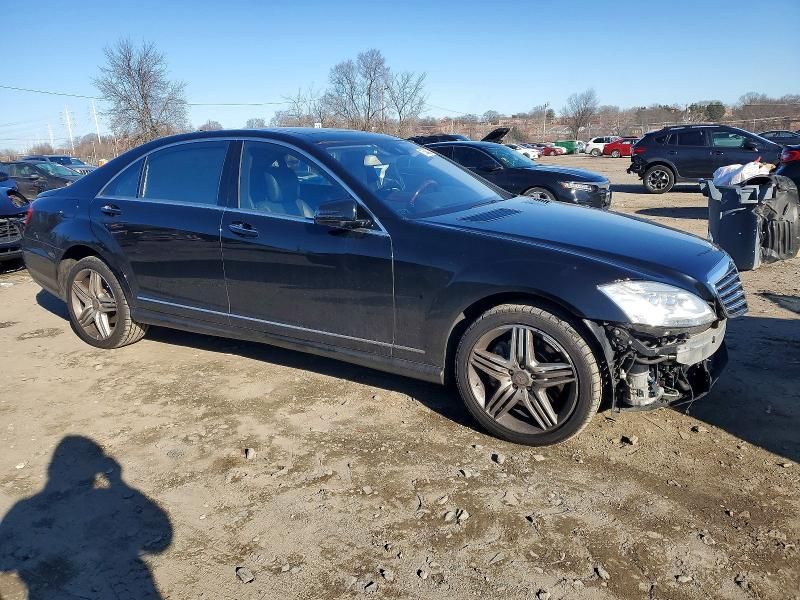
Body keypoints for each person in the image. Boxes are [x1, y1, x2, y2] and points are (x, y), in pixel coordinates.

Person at [0, 435, 172, 599]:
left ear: (52, 468)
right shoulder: (111, 501)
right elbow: (159, 539)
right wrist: (118, 482)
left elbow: (160, 539)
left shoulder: (26, 511)